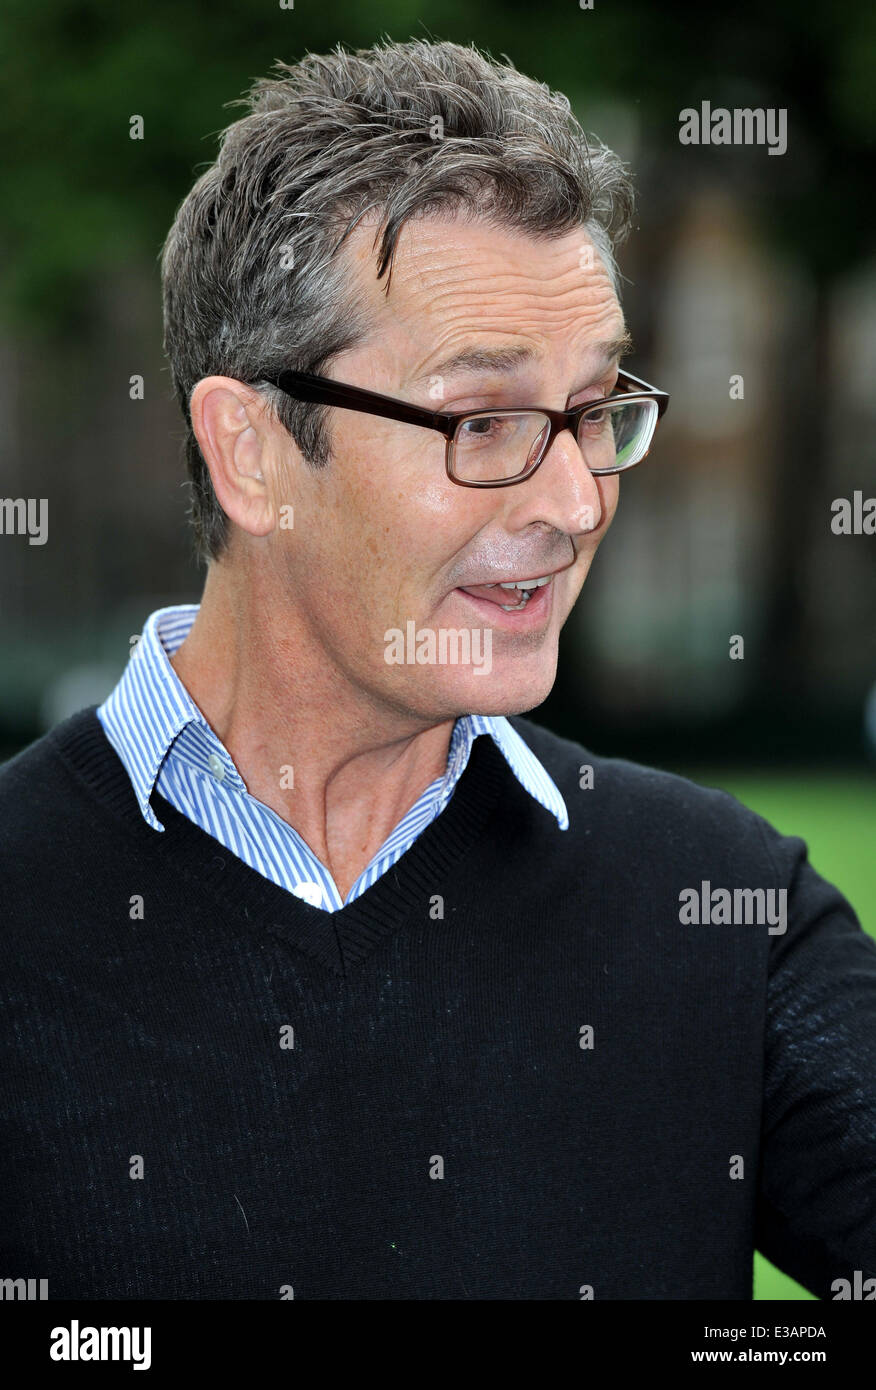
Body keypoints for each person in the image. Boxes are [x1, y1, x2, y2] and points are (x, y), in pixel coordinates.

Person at [1, 38, 874, 1302]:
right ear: (249, 453)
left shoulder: (727, 914)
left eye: (592, 411)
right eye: (485, 421)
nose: (576, 501)